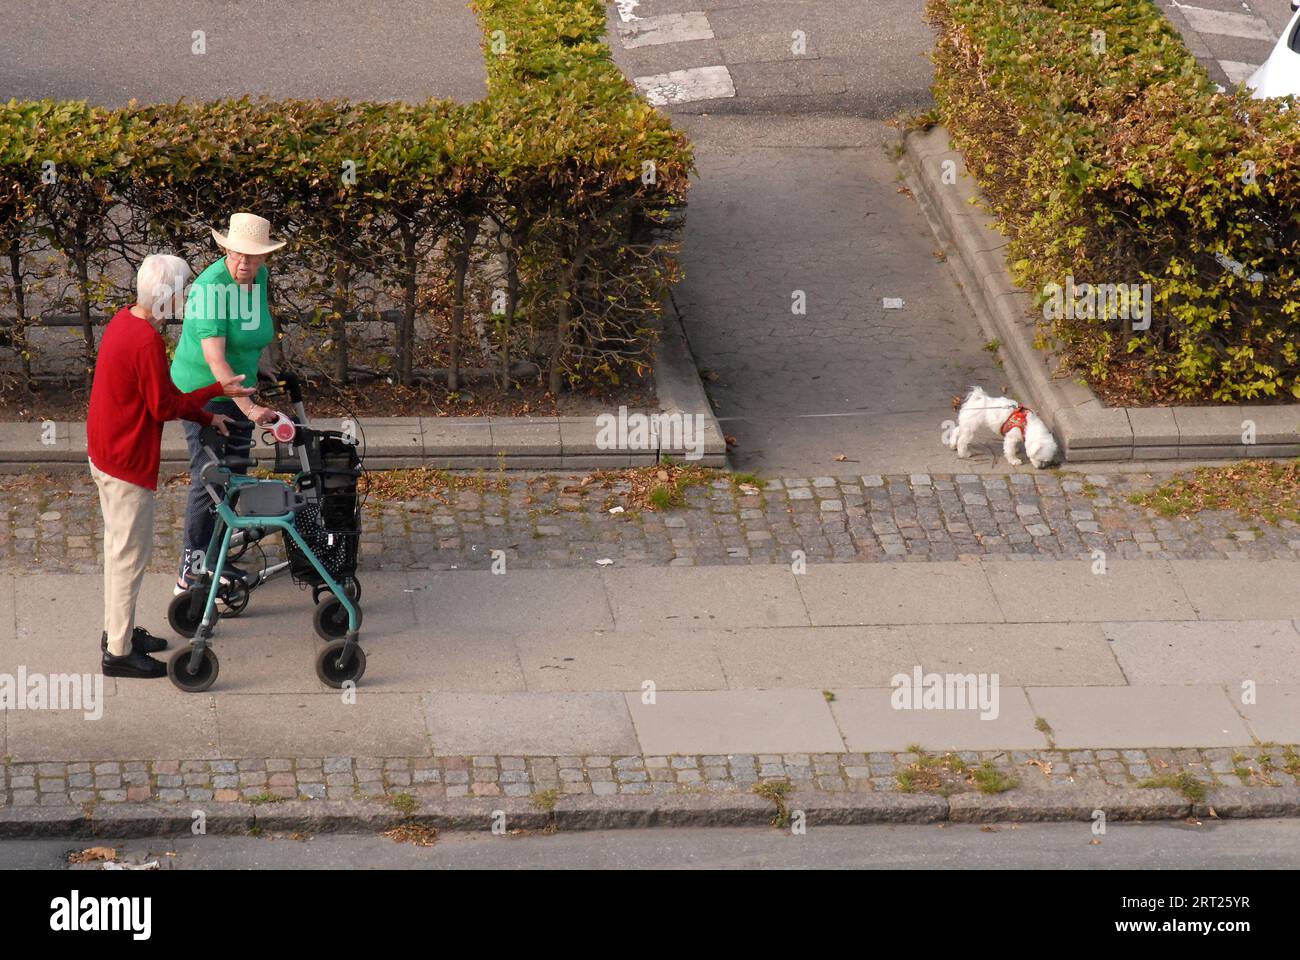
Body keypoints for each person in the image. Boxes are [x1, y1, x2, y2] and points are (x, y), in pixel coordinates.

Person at [88, 254, 253, 679]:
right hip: (125, 462)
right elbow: (162, 406)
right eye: (183, 292)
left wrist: (208, 400)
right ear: (169, 298)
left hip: (104, 452)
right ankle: (119, 653)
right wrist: (215, 397)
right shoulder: (146, 341)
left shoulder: (125, 321)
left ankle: (117, 632)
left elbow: (158, 399)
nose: (187, 298)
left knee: (116, 551)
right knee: (128, 557)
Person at [170, 212, 285, 594]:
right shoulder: (210, 289)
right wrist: (251, 409)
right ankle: (191, 572)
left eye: (252, 257)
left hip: (240, 388)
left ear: (265, 258)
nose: (243, 263)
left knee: (232, 473)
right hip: (205, 394)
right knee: (211, 479)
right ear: (225, 249)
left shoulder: (259, 278)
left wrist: (263, 368)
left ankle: (217, 552)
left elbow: (255, 330)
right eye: (236, 254)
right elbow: (217, 361)